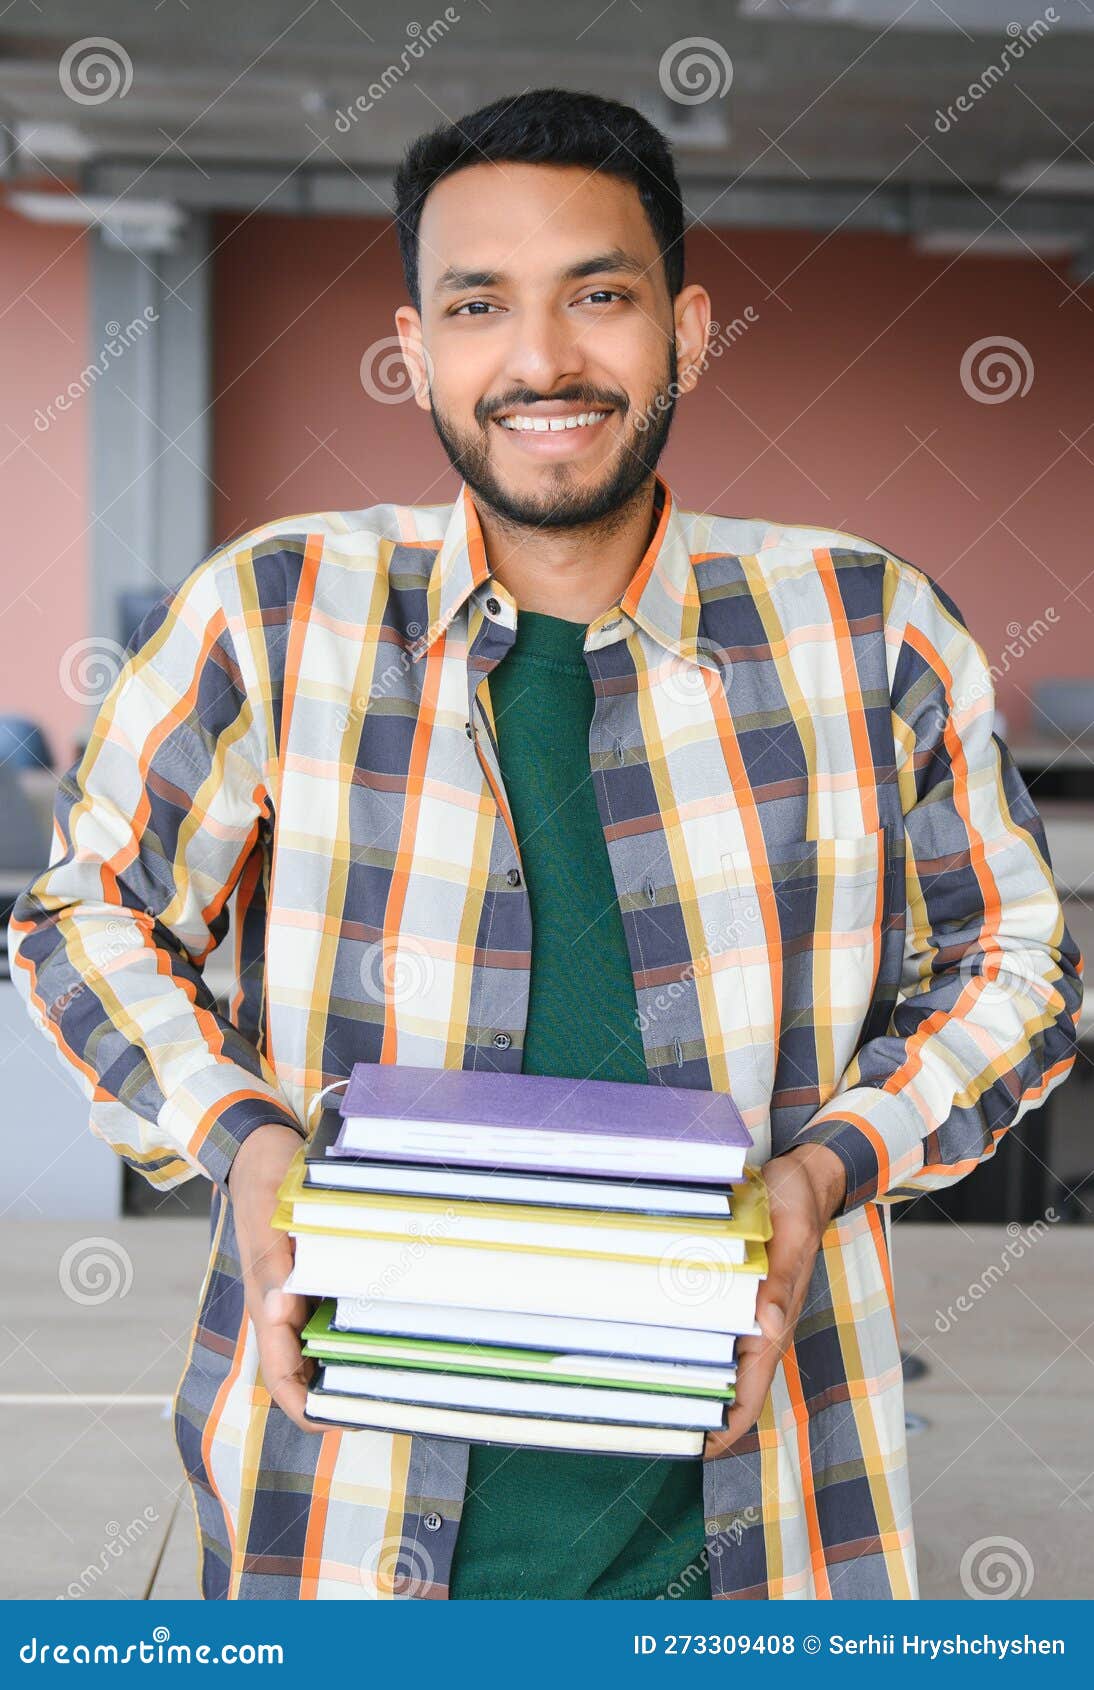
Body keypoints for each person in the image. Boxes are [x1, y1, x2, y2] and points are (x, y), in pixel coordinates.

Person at [10, 87, 1082, 1602]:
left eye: (599, 295)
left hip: (765, 1532)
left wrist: (831, 1167)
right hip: (340, 1529)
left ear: (688, 329)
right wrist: (242, 1142)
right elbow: (81, 912)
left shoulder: (869, 626)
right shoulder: (270, 612)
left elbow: (1020, 962)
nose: (540, 361)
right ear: (417, 345)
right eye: (477, 306)